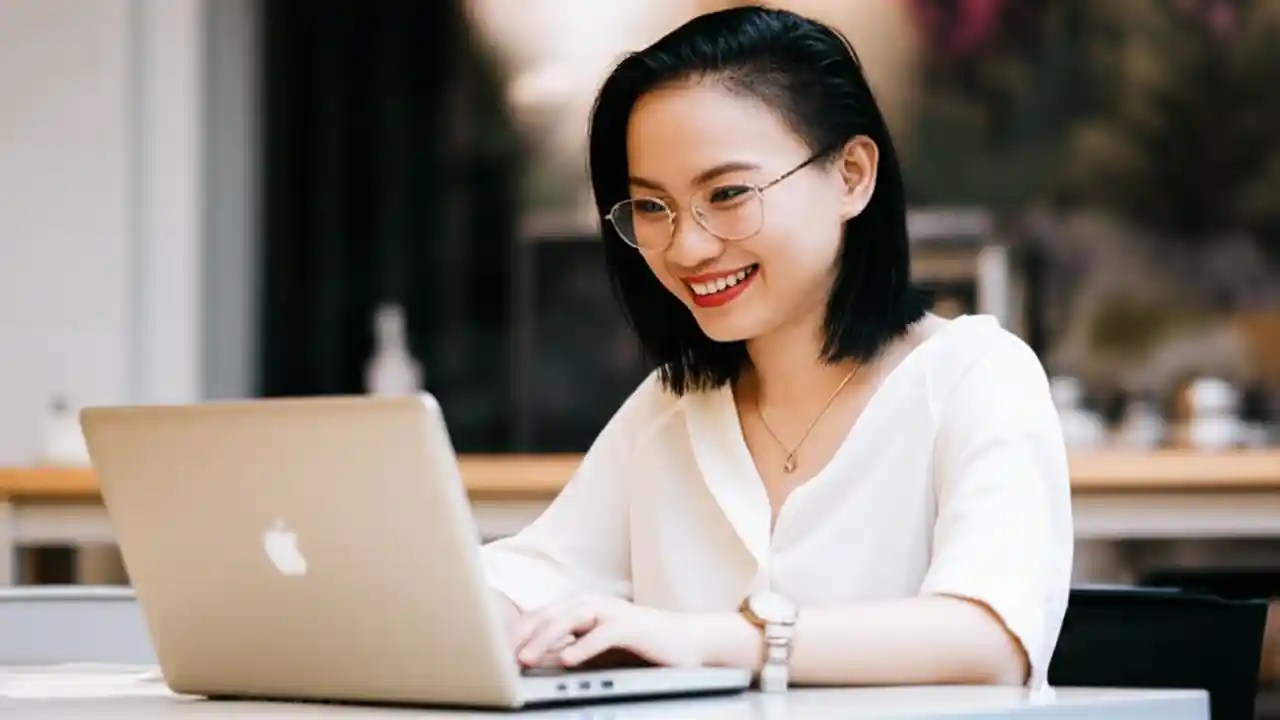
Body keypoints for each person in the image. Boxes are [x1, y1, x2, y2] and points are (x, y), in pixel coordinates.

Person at [481, 5, 1072, 690]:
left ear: (851, 175)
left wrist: (709, 640)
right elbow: (520, 585)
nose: (687, 246)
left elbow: (988, 639)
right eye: (652, 207)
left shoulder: (974, 375)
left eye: (727, 193)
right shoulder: (674, 407)